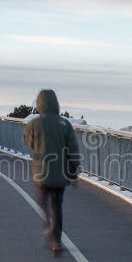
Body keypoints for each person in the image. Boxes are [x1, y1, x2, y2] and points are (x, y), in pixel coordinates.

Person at [22, 89, 80, 252]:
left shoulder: (34, 124)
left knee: (42, 204)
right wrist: (73, 173)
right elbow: (73, 150)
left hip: (41, 174)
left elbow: (28, 142)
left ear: (39, 104)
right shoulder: (65, 124)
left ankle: (47, 227)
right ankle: (57, 240)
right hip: (60, 175)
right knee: (57, 206)